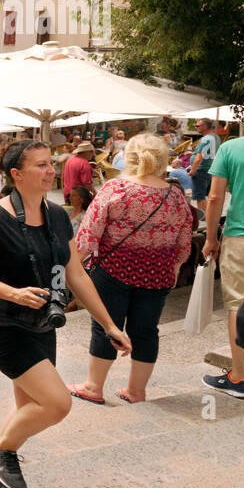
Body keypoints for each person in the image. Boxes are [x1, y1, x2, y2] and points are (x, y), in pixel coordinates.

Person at [0, 140, 132, 488]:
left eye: (50, 163)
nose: (50, 170)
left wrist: (109, 324)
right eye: (40, 165)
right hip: (0, 323)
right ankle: (0, 450)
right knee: (57, 404)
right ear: (17, 174)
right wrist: (14, 293)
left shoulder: (57, 216)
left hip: (42, 322)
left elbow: (77, 275)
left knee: (31, 406)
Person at [69, 133, 194, 405]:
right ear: (162, 160)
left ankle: (93, 387)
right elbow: (184, 241)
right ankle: (136, 391)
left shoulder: (115, 189)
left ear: (128, 158)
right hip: (157, 274)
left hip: (113, 271)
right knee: (146, 330)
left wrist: (73, 267)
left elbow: (88, 236)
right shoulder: (175, 195)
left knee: (106, 326)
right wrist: (174, 267)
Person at [202, 96, 244, 397]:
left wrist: (211, 239)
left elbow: (213, 198)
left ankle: (238, 376)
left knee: (239, 302)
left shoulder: (232, 148)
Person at [189, 118, 220, 218]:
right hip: (210, 169)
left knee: (200, 197)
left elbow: (198, 158)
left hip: (201, 170)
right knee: (207, 196)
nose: (196, 128)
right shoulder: (216, 137)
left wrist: (192, 171)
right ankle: (211, 216)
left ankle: (205, 219)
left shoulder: (205, 139)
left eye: (198, 126)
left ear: (205, 127)